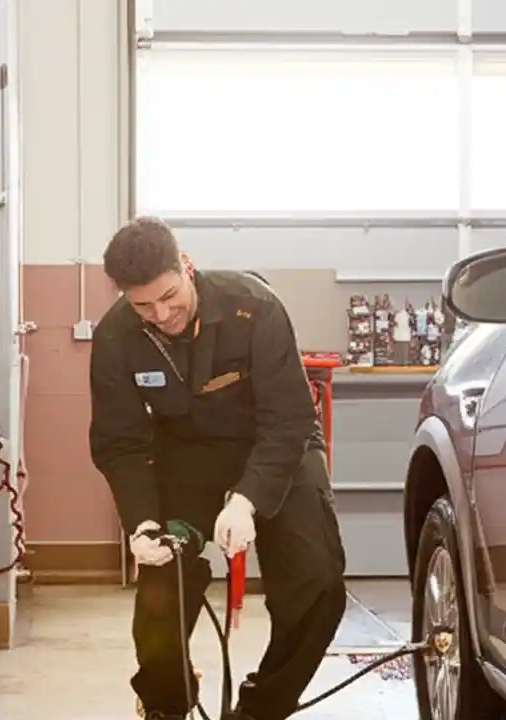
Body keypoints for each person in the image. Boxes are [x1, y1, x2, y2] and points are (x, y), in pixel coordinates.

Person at [88, 217, 347, 720]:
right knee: (162, 589)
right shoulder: (117, 338)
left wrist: (247, 500)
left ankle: (261, 708)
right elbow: (120, 444)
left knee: (316, 585)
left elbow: (290, 418)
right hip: (187, 455)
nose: (162, 314)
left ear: (185, 266)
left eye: (169, 296)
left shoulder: (255, 307)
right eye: (143, 305)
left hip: (279, 449)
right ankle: (167, 703)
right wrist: (141, 522)